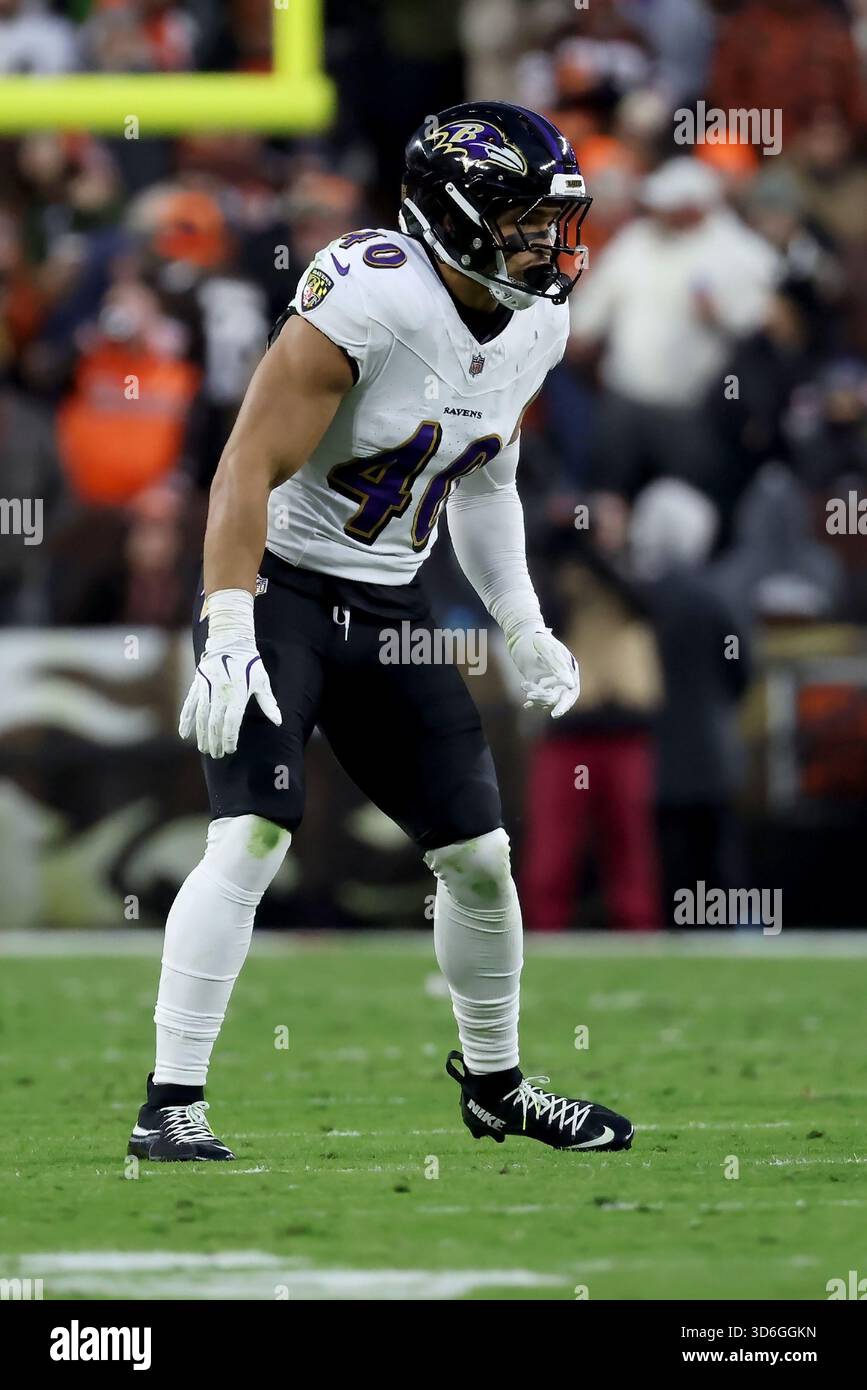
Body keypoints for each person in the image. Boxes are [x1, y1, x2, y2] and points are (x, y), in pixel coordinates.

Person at [128, 102, 635, 1162]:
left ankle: (496, 1085)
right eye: (523, 219)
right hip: (280, 589)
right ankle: (169, 1102)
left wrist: (524, 623)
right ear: (451, 217)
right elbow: (244, 468)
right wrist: (228, 622)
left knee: (482, 858)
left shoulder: (537, 322)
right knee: (253, 833)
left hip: (392, 603)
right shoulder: (370, 295)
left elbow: (487, 479)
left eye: (554, 220)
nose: (547, 242)